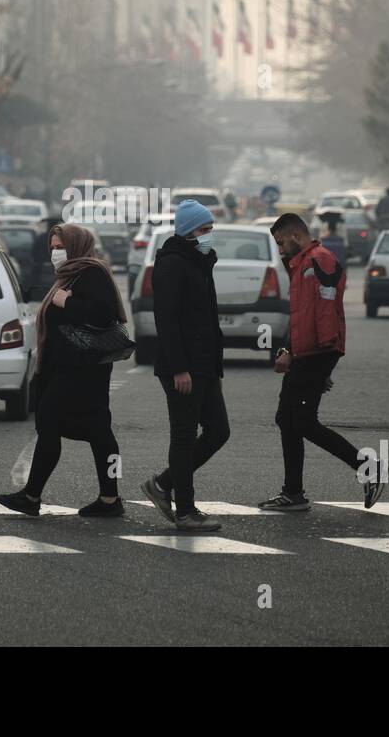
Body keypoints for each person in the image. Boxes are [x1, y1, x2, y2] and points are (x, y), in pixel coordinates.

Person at [0, 223, 127, 518]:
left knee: (51, 423)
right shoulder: (71, 274)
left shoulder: (92, 272)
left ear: (77, 246)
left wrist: (67, 301)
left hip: (80, 370)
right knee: (96, 431)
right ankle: (109, 499)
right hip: (67, 367)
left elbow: (104, 313)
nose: (56, 253)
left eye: (61, 247)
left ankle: (31, 496)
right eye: (53, 248)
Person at [258, 214, 385, 512]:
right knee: (288, 419)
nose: (279, 250)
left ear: (296, 236)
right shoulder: (301, 263)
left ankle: (367, 468)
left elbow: (326, 309)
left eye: (280, 243)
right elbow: (302, 317)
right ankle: (293, 493)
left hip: (316, 352)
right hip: (310, 354)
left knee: (300, 421)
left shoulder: (320, 260)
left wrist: (318, 356)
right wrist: (291, 349)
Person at [140, 200, 230, 532]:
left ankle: (163, 484)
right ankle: (185, 511)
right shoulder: (172, 264)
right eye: (204, 229)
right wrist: (179, 367)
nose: (210, 235)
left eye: (210, 228)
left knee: (219, 431)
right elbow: (167, 320)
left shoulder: (200, 261)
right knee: (183, 435)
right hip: (182, 367)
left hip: (205, 364)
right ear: (189, 231)